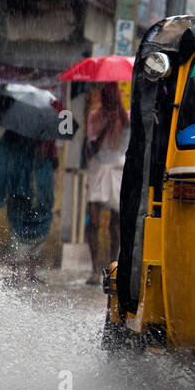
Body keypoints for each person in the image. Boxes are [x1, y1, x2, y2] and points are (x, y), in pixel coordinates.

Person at [0, 130, 57, 284]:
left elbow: (53, 159)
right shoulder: (17, 133)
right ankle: (17, 273)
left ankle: (26, 272)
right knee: (18, 226)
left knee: (36, 226)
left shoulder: (43, 134)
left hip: (36, 183)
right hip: (21, 185)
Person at [84, 83, 129, 284]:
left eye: (113, 94)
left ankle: (113, 266)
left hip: (118, 169)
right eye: (107, 95)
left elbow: (128, 133)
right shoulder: (94, 116)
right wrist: (104, 127)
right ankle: (94, 269)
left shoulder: (125, 116)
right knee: (93, 220)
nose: (110, 98)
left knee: (116, 224)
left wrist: (118, 114)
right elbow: (91, 147)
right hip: (98, 168)